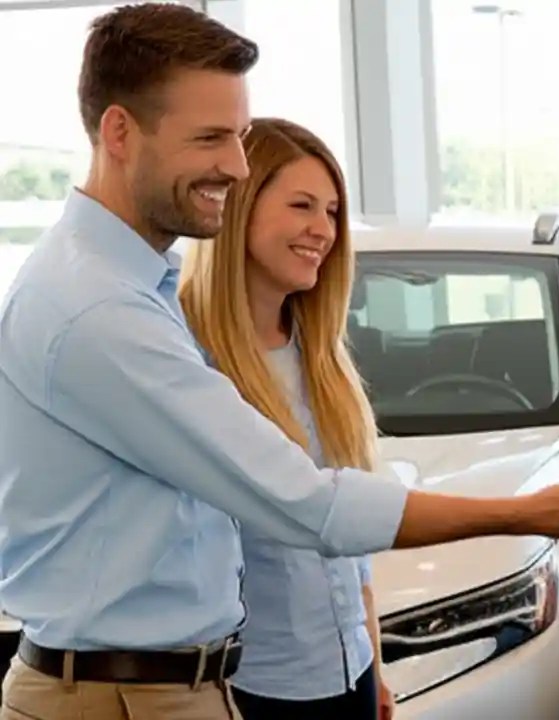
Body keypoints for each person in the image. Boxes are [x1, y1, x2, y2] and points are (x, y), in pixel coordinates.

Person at [0, 5, 559, 719]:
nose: (234, 164)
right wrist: (525, 513)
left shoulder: (133, 289)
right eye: (211, 138)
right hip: (126, 697)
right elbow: (307, 503)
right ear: (118, 133)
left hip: (173, 685)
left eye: (238, 138)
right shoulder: (102, 312)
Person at [177, 118, 393, 718]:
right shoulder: (185, 356)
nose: (321, 229)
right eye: (301, 205)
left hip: (348, 673)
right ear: (240, 207)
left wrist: (374, 664)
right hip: (251, 687)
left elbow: (352, 547)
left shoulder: (320, 355)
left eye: (331, 212)